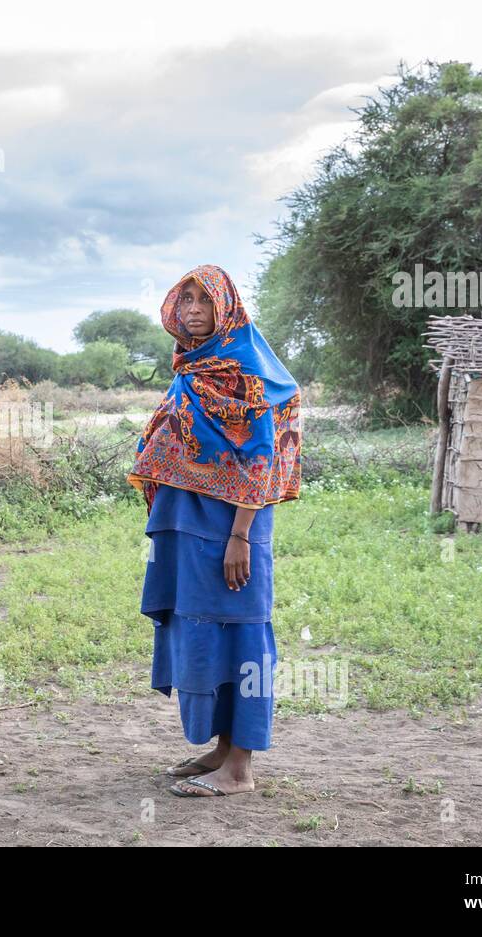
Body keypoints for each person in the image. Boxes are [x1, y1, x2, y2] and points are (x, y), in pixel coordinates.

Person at [127, 265, 302, 797]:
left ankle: (240, 769)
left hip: (231, 530)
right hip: (188, 527)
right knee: (203, 631)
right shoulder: (192, 366)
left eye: (204, 299)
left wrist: (241, 536)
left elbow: (261, 458)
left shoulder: (245, 371)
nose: (194, 309)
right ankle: (223, 749)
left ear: (225, 307)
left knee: (242, 633)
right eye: (186, 300)